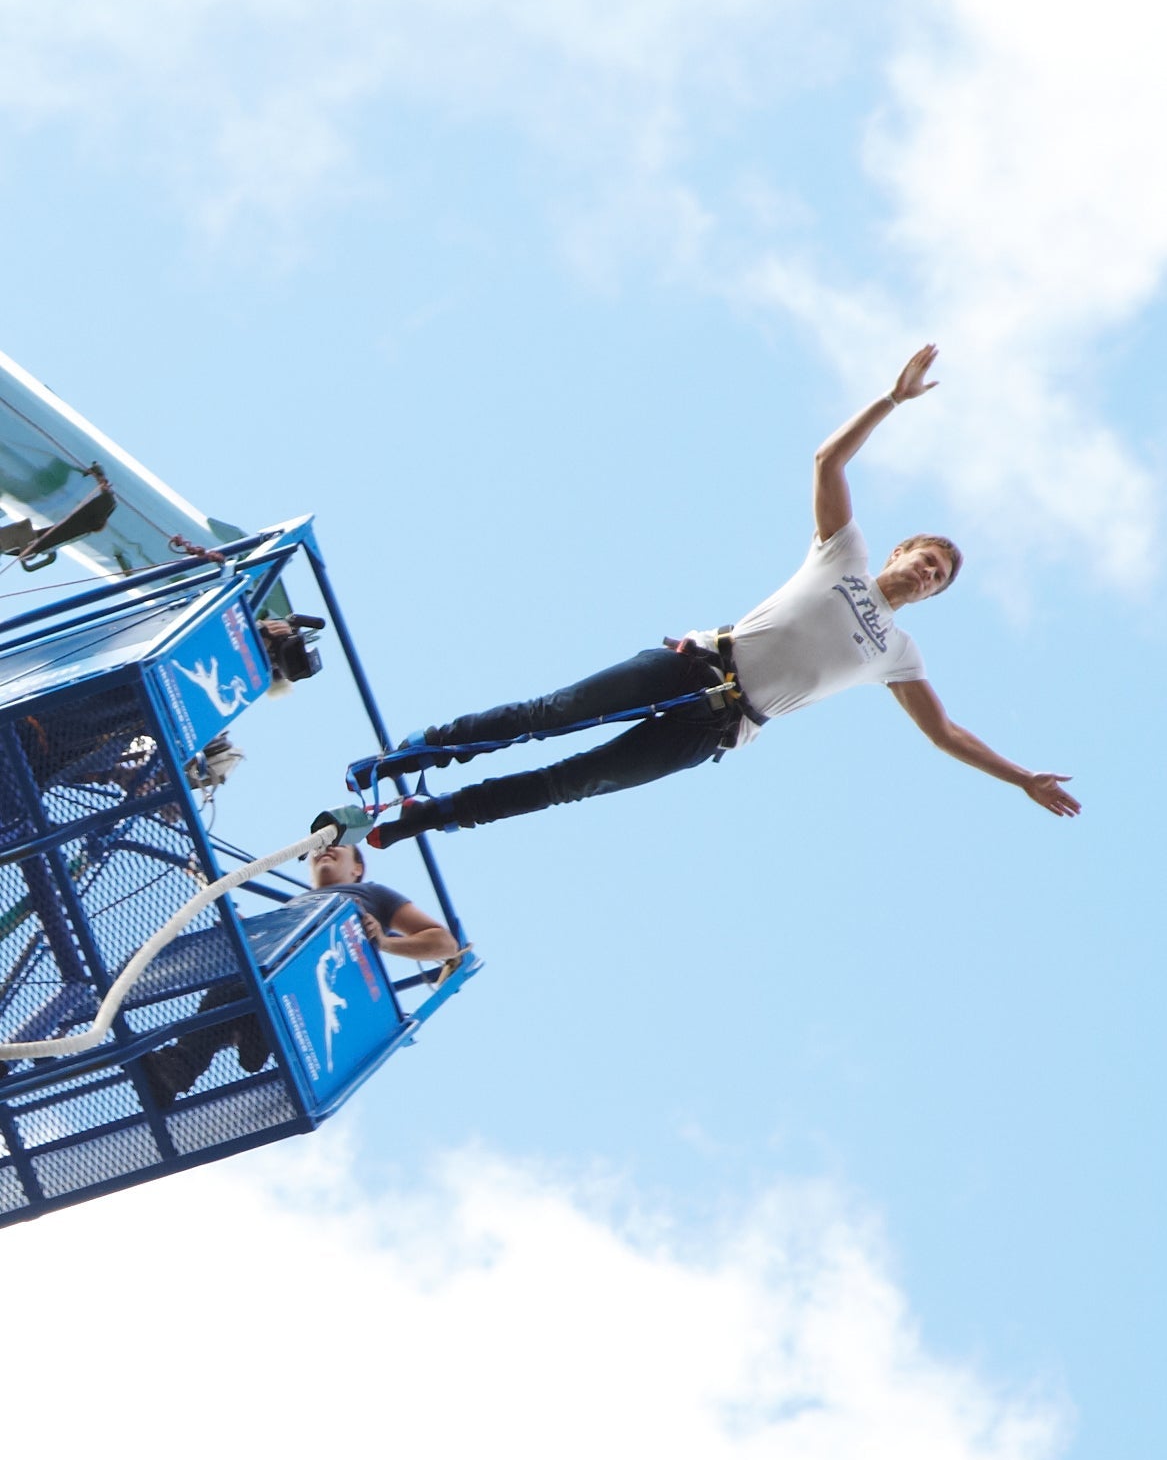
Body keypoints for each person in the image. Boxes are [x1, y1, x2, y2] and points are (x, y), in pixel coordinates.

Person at [368, 345, 1080, 849]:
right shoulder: (846, 554)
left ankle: (433, 815)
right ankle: (423, 750)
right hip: (691, 668)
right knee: (549, 716)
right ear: (900, 551)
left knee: (569, 782)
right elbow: (827, 460)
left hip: (714, 728)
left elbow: (943, 733)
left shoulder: (896, 651)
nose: (927, 574)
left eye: (938, 579)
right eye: (925, 560)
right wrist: (890, 400)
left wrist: (1018, 778)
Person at [141, 840, 459, 1106]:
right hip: (276, 981)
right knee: (228, 991)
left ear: (357, 869)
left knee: (234, 990)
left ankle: (207, 1055)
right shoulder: (295, 907)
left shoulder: (370, 895)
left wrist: (385, 941)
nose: (326, 848)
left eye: (338, 845)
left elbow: (445, 943)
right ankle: (190, 1065)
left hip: (318, 984)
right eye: (319, 847)